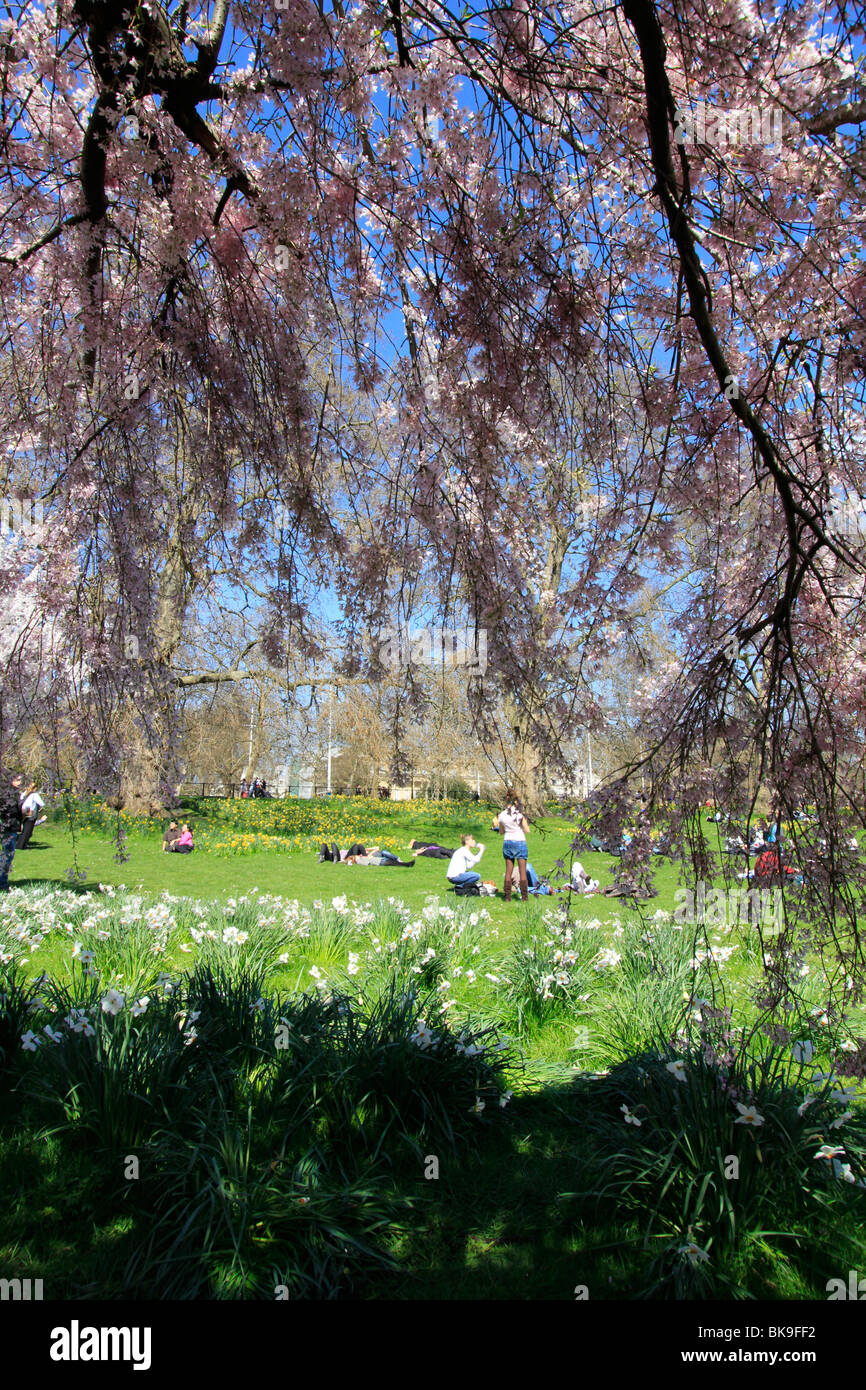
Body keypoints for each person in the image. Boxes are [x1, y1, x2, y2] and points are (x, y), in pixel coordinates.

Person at [492, 791, 529, 901]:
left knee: (508, 870)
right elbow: (527, 830)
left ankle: (507, 896)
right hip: (520, 841)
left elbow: (501, 831)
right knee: (522, 870)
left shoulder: (502, 815)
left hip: (508, 841)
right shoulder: (519, 814)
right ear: (516, 801)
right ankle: (524, 897)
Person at [0, 771, 24, 891]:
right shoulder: (9, 794)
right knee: (7, 855)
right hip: (8, 828)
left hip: (10, 827)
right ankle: (2, 883)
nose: (20, 783)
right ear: (12, 780)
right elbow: (9, 810)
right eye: (18, 780)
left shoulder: (12, 793)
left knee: (7, 855)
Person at [17, 782, 46, 849]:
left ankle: (21, 845)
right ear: (35, 788)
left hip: (23, 812)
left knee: (24, 829)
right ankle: (21, 846)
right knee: (28, 831)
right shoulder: (35, 795)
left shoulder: (25, 793)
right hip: (30, 813)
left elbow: (21, 800)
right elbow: (42, 803)